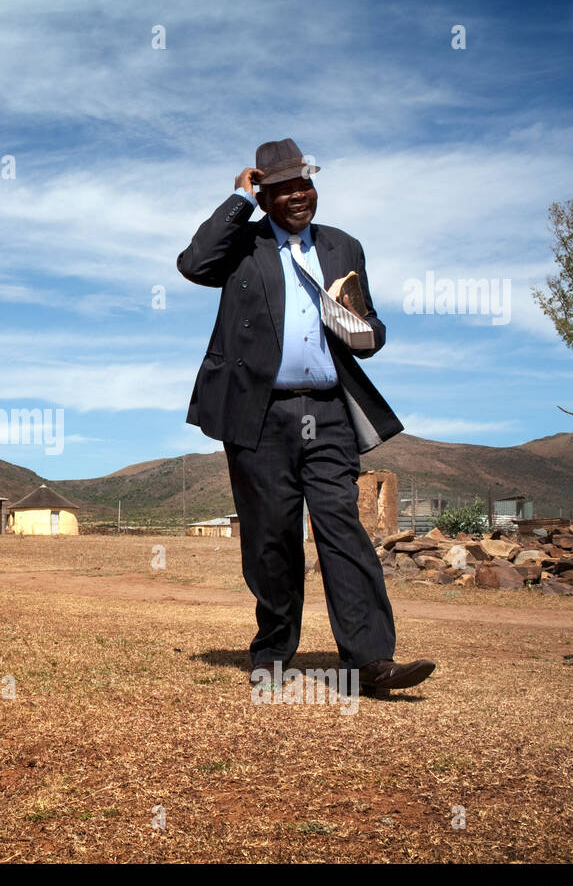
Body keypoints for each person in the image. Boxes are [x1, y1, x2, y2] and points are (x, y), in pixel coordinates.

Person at [178, 137, 435, 697]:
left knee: (341, 528)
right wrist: (236, 200)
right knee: (271, 536)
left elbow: (372, 331)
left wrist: (360, 327)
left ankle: (371, 662)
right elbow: (194, 266)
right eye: (284, 187)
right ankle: (272, 653)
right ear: (265, 193)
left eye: (306, 184)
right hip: (259, 410)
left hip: (327, 409)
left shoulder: (343, 246)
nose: (299, 196)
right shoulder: (241, 244)